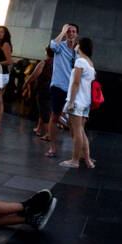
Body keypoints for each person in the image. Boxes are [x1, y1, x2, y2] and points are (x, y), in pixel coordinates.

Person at [62, 35, 96, 168]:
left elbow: (76, 83)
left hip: (77, 101)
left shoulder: (80, 61)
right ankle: (87, 160)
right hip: (86, 101)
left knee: (76, 132)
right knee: (81, 131)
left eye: (77, 44)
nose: (75, 45)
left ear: (80, 46)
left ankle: (75, 160)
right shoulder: (90, 63)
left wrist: (71, 102)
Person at [45, 22, 79, 159]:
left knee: (74, 121)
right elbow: (52, 45)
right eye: (68, 32)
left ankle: (79, 151)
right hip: (58, 86)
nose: (71, 34)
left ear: (77, 34)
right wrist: (62, 32)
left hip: (71, 90)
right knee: (54, 116)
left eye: (73, 31)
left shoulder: (77, 52)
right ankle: (52, 147)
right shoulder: (60, 47)